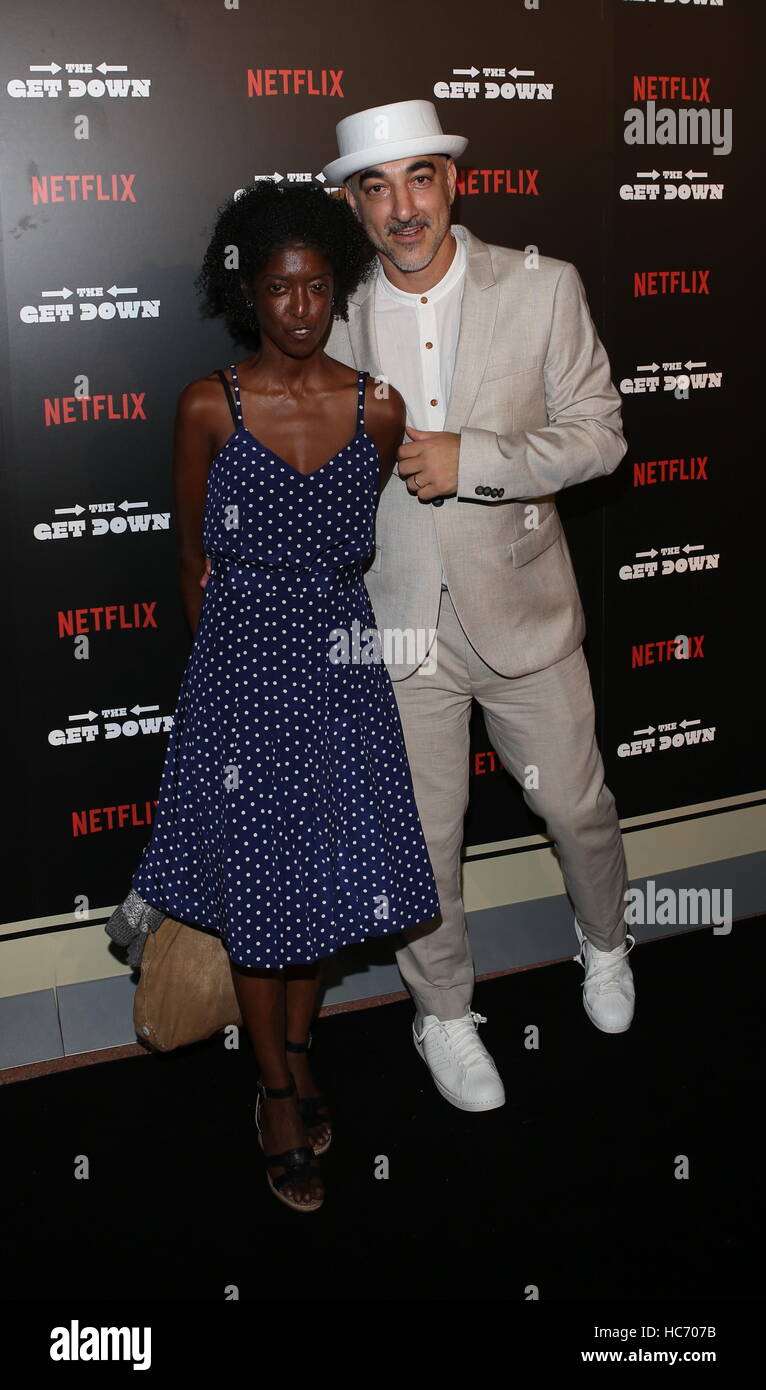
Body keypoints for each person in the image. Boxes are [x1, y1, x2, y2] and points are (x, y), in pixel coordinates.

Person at [319, 98, 636, 1114]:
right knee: (423, 841)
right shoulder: (332, 306)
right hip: (395, 618)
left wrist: (478, 463)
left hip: (523, 610)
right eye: (377, 187)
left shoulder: (542, 288)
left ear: (454, 181)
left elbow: (599, 435)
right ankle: (444, 1012)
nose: (402, 207)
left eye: (420, 178)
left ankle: (603, 943)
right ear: (352, 203)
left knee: (574, 807)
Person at [129, 180, 440, 1211]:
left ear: (337, 288)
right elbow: (187, 562)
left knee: (328, 882)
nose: (300, 308)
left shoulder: (378, 408)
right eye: (278, 289)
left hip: (344, 675)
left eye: (315, 287)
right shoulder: (206, 405)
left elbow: (362, 535)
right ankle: (272, 1092)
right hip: (243, 679)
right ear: (248, 295)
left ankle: (300, 1047)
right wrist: (229, 663)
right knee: (262, 896)